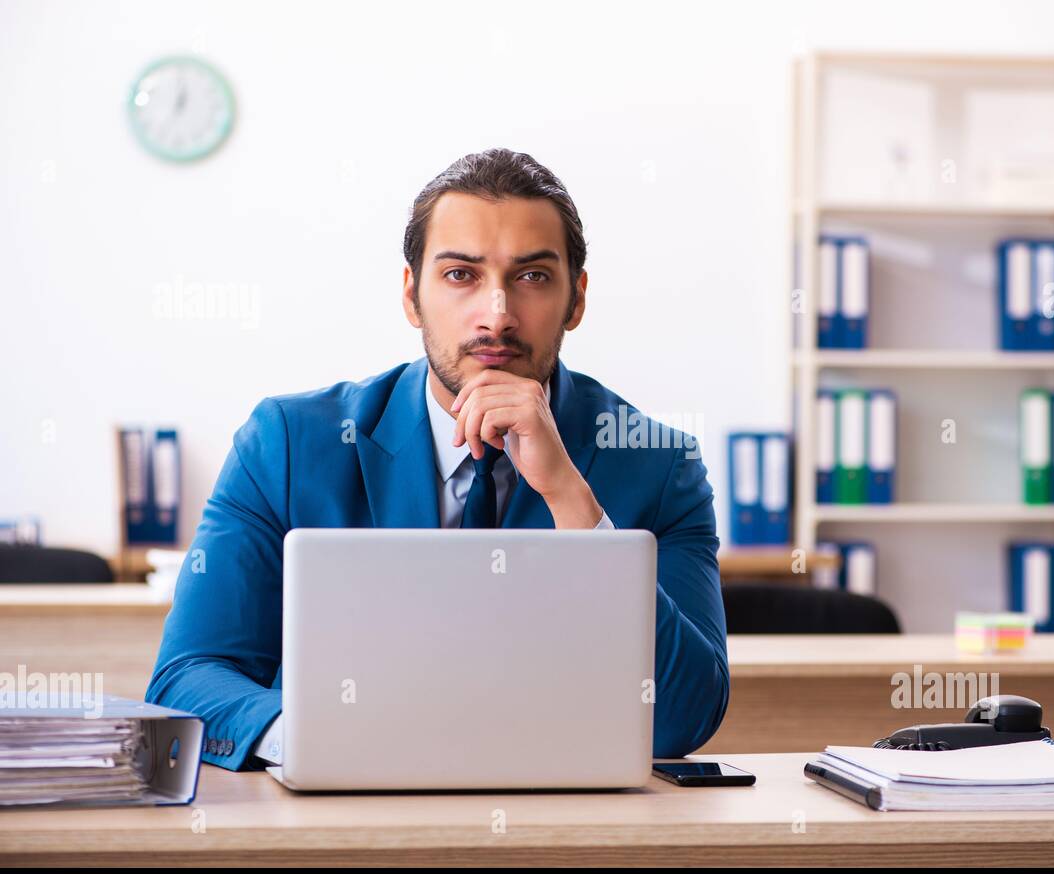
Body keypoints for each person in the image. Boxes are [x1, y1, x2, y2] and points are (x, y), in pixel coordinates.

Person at [145, 148, 729, 769]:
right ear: (412, 295)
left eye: (532, 276)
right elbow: (188, 678)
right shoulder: (286, 444)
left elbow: (683, 717)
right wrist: (321, 741)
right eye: (461, 275)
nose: (496, 316)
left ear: (576, 300)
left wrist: (573, 504)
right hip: (344, 829)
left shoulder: (659, 465)